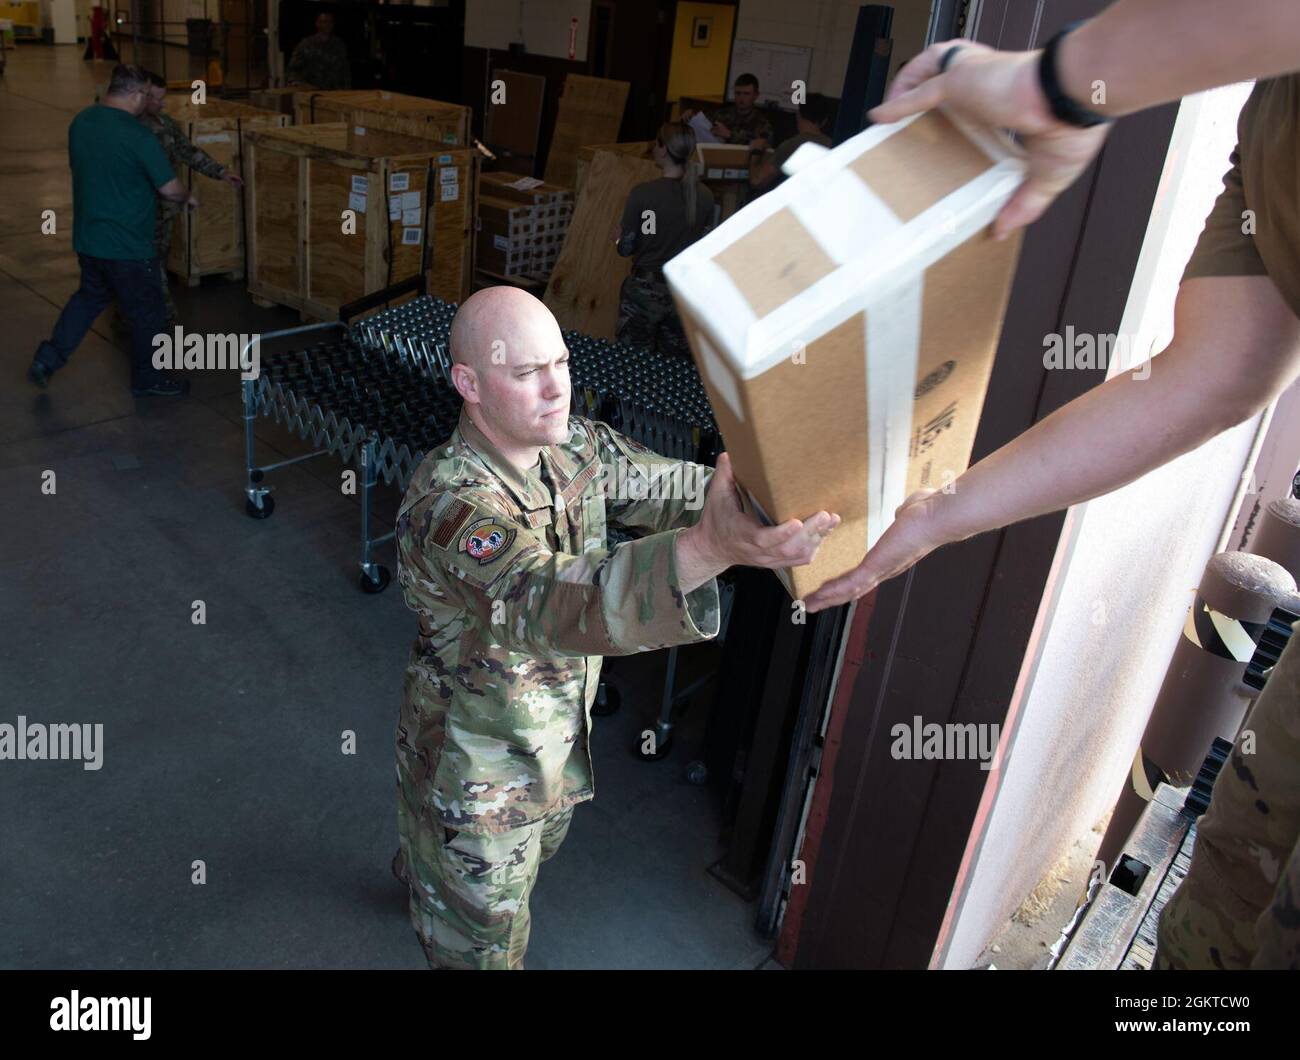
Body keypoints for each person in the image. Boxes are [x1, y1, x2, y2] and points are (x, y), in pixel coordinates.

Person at [801, 1, 1300, 971]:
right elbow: (1213, 373)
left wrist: (1050, 86)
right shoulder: (1277, 114)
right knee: (1230, 899)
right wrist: (939, 517)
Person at [392, 285, 839, 969]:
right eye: (525, 373)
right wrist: (710, 550)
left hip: (554, 750)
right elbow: (548, 603)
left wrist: (768, 497)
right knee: (484, 950)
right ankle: (436, 873)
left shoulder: (573, 447)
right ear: (469, 384)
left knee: (516, 863)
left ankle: (428, 874)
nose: (554, 389)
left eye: (561, 363)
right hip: (477, 776)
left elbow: (670, 489)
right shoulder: (449, 505)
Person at [28, 64, 198, 397]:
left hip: (90, 239)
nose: (148, 103)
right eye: (147, 96)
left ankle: (47, 359)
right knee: (148, 312)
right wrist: (188, 197)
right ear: (135, 95)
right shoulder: (138, 136)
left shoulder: (81, 123)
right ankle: (151, 379)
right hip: (129, 247)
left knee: (87, 300)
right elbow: (169, 188)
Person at [138, 71, 244, 328]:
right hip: (137, 210)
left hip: (163, 209)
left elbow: (187, 151)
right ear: (142, 96)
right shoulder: (127, 127)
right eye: (157, 99)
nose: (162, 104)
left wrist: (220, 171)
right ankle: (161, 318)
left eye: (163, 99)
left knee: (156, 261)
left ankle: (146, 315)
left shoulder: (164, 123)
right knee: (146, 264)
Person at [612, 121, 715, 356]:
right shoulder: (705, 196)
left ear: (663, 149)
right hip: (682, 295)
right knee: (673, 371)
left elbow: (626, 248)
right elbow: (707, 245)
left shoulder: (644, 193)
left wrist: (617, 238)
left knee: (632, 364)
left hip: (643, 292)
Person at [749, 92, 835, 196]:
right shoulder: (833, 146)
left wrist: (755, 152)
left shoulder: (792, 145)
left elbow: (757, 181)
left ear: (798, 115)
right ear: (825, 120)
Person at [685, 73, 773, 148]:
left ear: (756, 95)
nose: (741, 98)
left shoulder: (762, 123)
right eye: (738, 93)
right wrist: (691, 117)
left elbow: (765, 146)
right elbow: (701, 125)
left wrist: (730, 135)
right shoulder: (722, 114)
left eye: (746, 94)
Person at [286, 11, 351, 91]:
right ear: (317, 24)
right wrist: (298, 83)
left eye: (330, 22)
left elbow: (344, 71)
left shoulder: (338, 44)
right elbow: (293, 69)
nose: (327, 25)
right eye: (324, 22)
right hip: (311, 92)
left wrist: (346, 90)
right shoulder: (306, 44)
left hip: (333, 92)